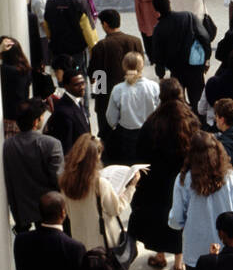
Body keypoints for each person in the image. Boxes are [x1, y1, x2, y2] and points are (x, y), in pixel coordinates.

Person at [169, 133, 233, 270]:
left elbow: (176, 219)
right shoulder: (232, 178)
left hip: (196, 256)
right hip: (226, 251)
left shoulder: (183, 180)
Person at [129, 79, 197, 270]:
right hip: (183, 179)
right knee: (182, 215)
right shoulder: (190, 120)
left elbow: (141, 154)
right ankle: (179, 261)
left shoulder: (152, 123)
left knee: (160, 219)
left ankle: (160, 255)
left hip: (157, 182)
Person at [59, 132, 137, 252]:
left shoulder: (65, 181)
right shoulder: (99, 183)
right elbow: (116, 208)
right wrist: (131, 187)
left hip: (80, 240)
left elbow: (68, 212)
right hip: (103, 242)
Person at [3, 99, 64, 233]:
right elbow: (58, 179)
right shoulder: (52, 144)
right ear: (36, 122)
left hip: (23, 211)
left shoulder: (8, 145)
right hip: (49, 211)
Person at [88, 10, 143, 140]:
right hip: (133, 91)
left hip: (107, 95)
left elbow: (96, 74)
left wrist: (99, 97)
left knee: (108, 134)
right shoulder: (135, 41)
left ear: (105, 24)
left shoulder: (101, 46)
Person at [151, 0, 212, 108]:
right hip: (195, 66)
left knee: (178, 102)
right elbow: (204, 37)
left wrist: (161, 74)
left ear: (156, 9)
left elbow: (158, 55)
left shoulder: (159, 28)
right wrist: (206, 59)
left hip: (176, 70)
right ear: (169, 4)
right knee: (198, 100)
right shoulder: (188, 16)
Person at [104, 52, 159, 166]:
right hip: (149, 134)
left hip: (126, 137)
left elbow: (111, 118)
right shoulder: (153, 87)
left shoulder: (118, 89)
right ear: (142, 66)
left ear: (124, 66)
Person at [43, 0, 89, 76]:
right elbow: (87, 28)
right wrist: (91, 48)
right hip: (77, 48)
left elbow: (46, 25)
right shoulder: (80, 2)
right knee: (79, 76)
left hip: (57, 47)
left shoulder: (50, 2)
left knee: (61, 78)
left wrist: (51, 36)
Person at [46, 69, 90, 153]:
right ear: (66, 86)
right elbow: (66, 146)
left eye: (83, 83)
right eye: (77, 84)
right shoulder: (63, 112)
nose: (82, 87)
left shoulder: (77, 101)